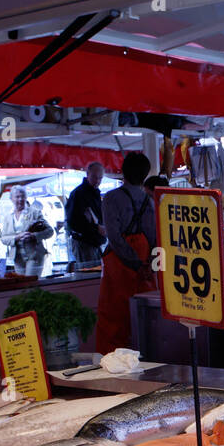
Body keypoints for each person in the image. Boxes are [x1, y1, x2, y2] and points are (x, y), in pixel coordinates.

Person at [96, 151, 158, 353]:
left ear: (122, 171)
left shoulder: (111, 199)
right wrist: (148, 264)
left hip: (121, 263)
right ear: (145, 175)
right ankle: (144, 357)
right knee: (143, 316)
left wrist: (133, 263)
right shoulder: (150, 202)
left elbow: (113, 237)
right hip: (145, 265)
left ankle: (113, 361)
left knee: (113, 316)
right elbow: (155, 237)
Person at [0, 186, 53, 277]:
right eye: (17, 197)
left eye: (23, 196)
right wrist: (17, 237)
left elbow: (50, 231)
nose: (20, 199)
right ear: (11, 199)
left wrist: (34, 236)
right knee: (21, 284)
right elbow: (3, 238)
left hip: (34, 255)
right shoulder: (8, 217)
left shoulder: (35, 212)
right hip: (17, 257)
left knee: (31, 283)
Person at [65, 161, 106, 273]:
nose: (97, 181)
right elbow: (73, 221)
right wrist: (96, 228)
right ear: (87, 174)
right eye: (94, 177)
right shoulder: (78, 194)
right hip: (83, 243)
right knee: (89, 276)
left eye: (100, 178)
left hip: (94, 242)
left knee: (96, 276)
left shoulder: (94, 193)